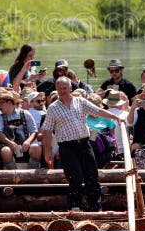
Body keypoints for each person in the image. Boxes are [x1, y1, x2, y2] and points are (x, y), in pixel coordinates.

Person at [41, 77, 123, 211]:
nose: (62, 91)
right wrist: (48, 151)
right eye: (60, 88)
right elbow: (48, 131)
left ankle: (95, 206)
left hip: (84, 144)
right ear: (56, 89)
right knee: (75, 177)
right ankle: (75, 206)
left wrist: (115, 117)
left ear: (70, 88)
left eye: (65, 88)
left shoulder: (80, 101)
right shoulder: (53, 108)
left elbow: (97, 111)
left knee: (92, 176)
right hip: (67, 147)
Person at [0, 90, 41, 169]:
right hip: (9, 146)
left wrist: (28, 142)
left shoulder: (25, 114)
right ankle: (13, 175)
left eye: (1, 103)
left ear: (9, 103)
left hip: (24, 145)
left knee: (36, 148)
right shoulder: (0, 117)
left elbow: (34, 131)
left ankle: (31, 174)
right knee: (5, 151)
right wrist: (10, 143)